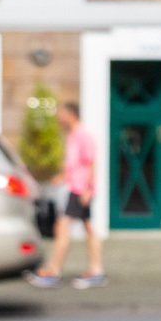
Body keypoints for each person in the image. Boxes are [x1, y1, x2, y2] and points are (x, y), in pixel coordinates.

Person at [27, 100, 105, 289]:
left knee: (62, 227)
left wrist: (88, 189)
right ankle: (96, 270)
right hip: (76, 187)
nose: (59, 119)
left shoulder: (83, 135)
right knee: (87, 228)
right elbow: (76, 164)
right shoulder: (73, 135)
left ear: (71, 115)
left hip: (80, 189)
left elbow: (91, 163)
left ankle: (54, 271)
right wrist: (62, 177)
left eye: (61, 115)